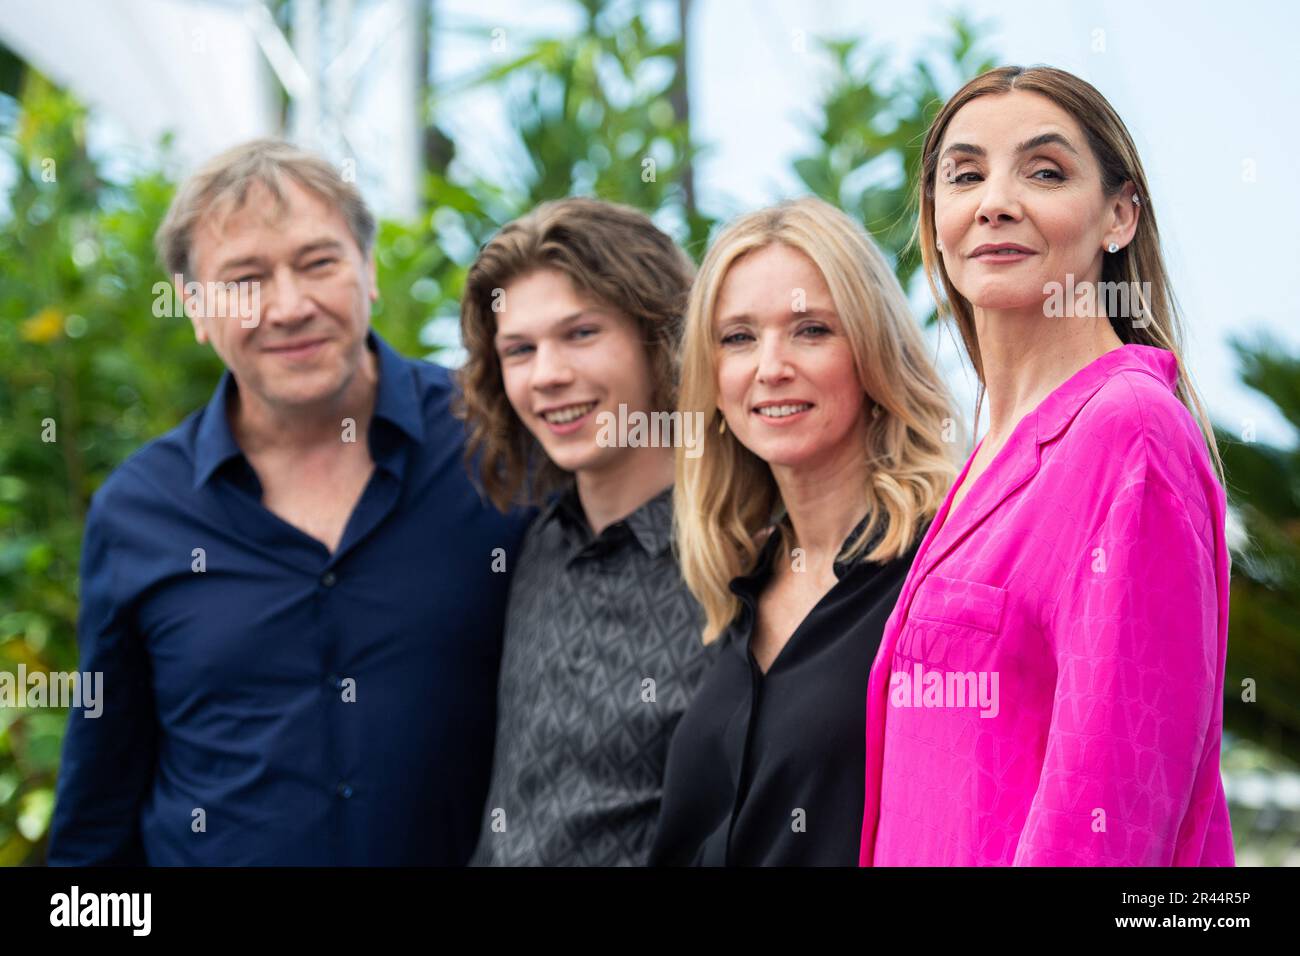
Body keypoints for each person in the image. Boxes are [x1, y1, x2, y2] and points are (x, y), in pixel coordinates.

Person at [47, 139, 532, 865]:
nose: (289, 306)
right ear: (194, 307)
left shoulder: (498, 445)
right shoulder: (139, 511)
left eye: (318, 262)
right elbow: (101, 795)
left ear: (367, 272)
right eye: (244, 279)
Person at [859, 65, 1236, 866]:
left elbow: (1113, 820)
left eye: (1045, 170)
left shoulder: (1129, 435)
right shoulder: (986, 458)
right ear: (937, 219)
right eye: (965, 175)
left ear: (1119, 216)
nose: (995, 199)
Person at [651, 196, 959, 865]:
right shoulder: (736, 585)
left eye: (811, 330)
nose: (770, 367)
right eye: (738, 337)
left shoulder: (947, 568)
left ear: (873, 351)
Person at [459, 198, 714, 866]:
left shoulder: (743, 552)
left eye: (580, 334)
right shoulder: (536, 542)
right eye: (519, 349)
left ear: (658, 337)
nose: (547, 374)